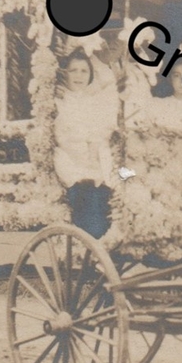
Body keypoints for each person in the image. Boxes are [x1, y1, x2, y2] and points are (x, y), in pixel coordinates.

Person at [53, 46, 121, 238]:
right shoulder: (58, 101)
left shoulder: (94, 101)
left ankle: (105, 243)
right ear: (65, 74)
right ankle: (93, 243)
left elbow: (101, 133)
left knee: (113, 193)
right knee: (89, 200)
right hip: (72, 164)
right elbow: (64, 137)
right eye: (73, 70)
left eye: (84, 71)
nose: (79, 76)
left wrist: (95, 149)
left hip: (96, 164)